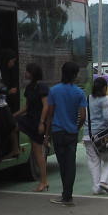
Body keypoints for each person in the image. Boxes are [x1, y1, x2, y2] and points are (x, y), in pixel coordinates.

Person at [42, 62, 88, 205]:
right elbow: (83, 116)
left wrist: (47, 135)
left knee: (62, 164)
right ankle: (69, 194)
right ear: (75, 75)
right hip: (71, 133)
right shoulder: (79, 92)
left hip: (57, 132)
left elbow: (50, 114)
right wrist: (76, 127)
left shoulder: (54, 91)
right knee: (71, 164)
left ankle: (65, 195)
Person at [15, 62, 50, 192]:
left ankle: (44, 181)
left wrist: (42, 122)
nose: (25, 73)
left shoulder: (42, 87)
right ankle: (15, 149)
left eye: (27, 71)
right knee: (13, 125)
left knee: (37, 152)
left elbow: (46, 106)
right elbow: (27, 107)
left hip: (37, 121)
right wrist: (15, 115)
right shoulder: (29, 87)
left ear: (33, 73)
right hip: (29, 119)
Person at [83, 75, 108, 195]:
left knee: (94, 162)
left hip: (88, 135)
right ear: (104, 88)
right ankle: (103, 181)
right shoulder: (105, 99)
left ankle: (96, 187)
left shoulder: (87, 98)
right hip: (103, 135)